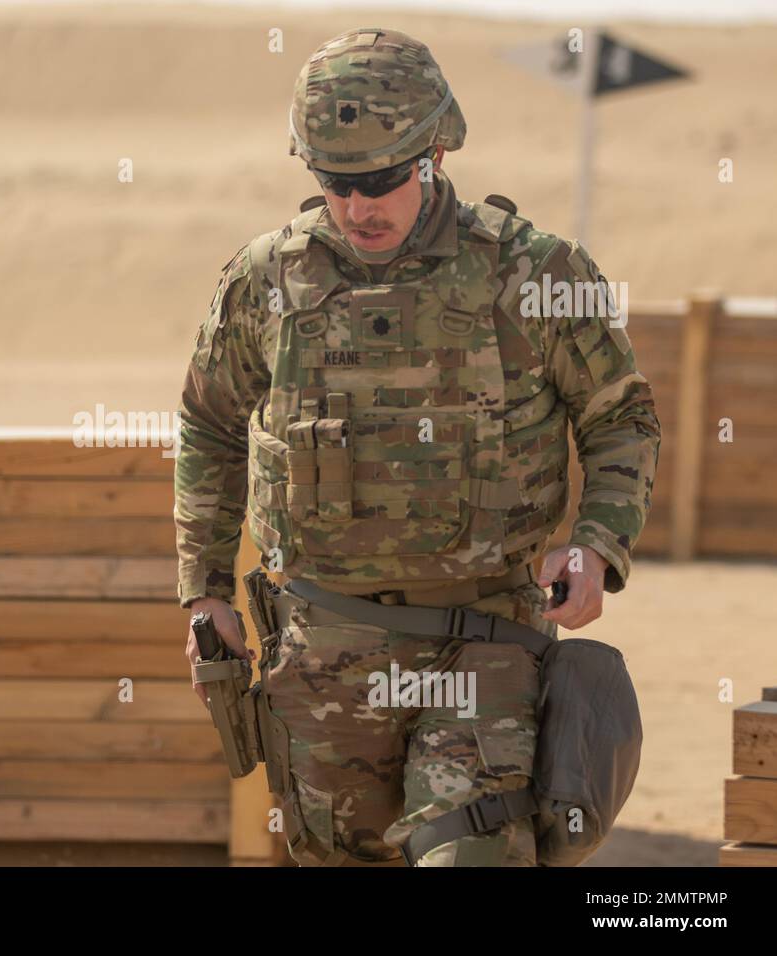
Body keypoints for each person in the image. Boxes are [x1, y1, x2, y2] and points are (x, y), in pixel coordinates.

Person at [174, 27, 661, 866]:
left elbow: (622, 418)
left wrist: (596, 545)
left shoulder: (530, 275)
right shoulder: (265, 283)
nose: (362, 207)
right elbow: (209, 425)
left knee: (472, 853)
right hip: (321, 654)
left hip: (484, 647)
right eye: (337, 183)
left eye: (384, 180)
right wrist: (204, 589)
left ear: (436, 152)